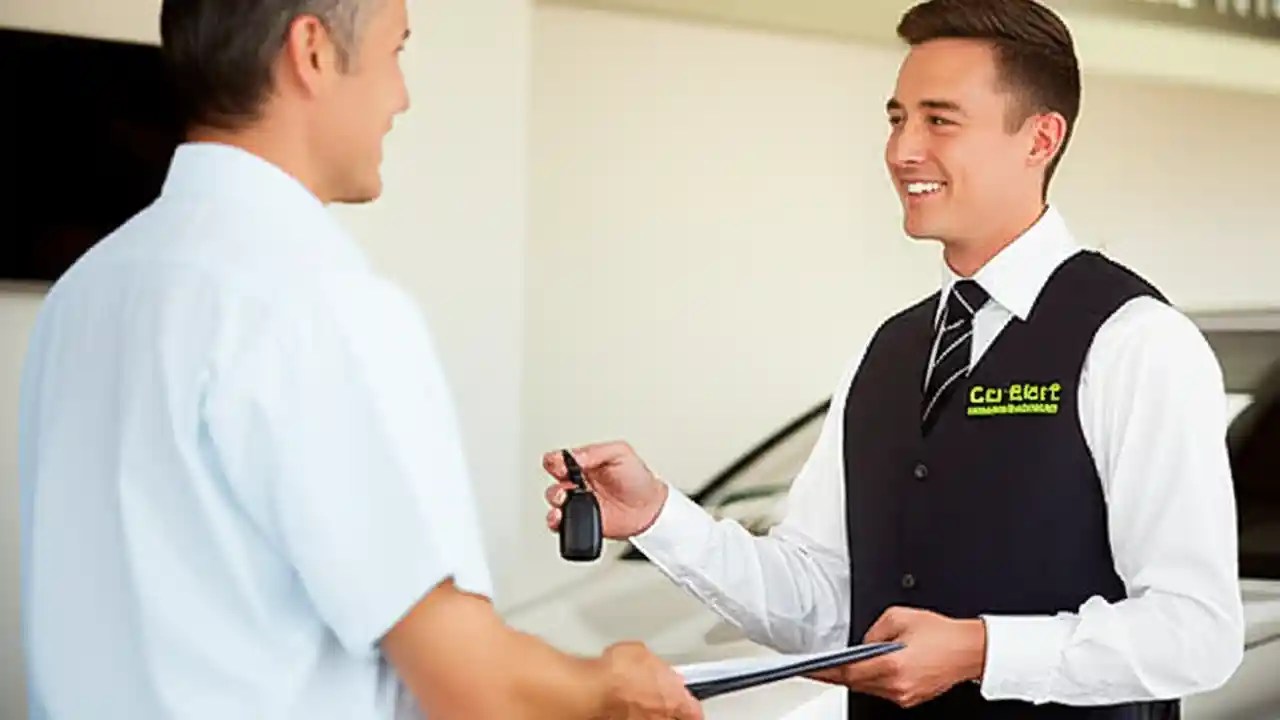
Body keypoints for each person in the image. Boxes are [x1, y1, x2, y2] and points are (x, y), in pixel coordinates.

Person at [543, 0, 1244, 717]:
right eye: (896, 118)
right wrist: (659, 516)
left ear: (1040, 138)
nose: (903, 150)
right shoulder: (889, 352)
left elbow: (1197, 633)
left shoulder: (1135, 342)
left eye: (939, 120)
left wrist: (980, 650)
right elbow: (821, 606)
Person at [17, 1, 702, 718]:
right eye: (396, 51)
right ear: (312, 51)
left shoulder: (86, 292)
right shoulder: (316, 301)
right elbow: (471, 685)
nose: (402, 96)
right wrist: (609, 684)